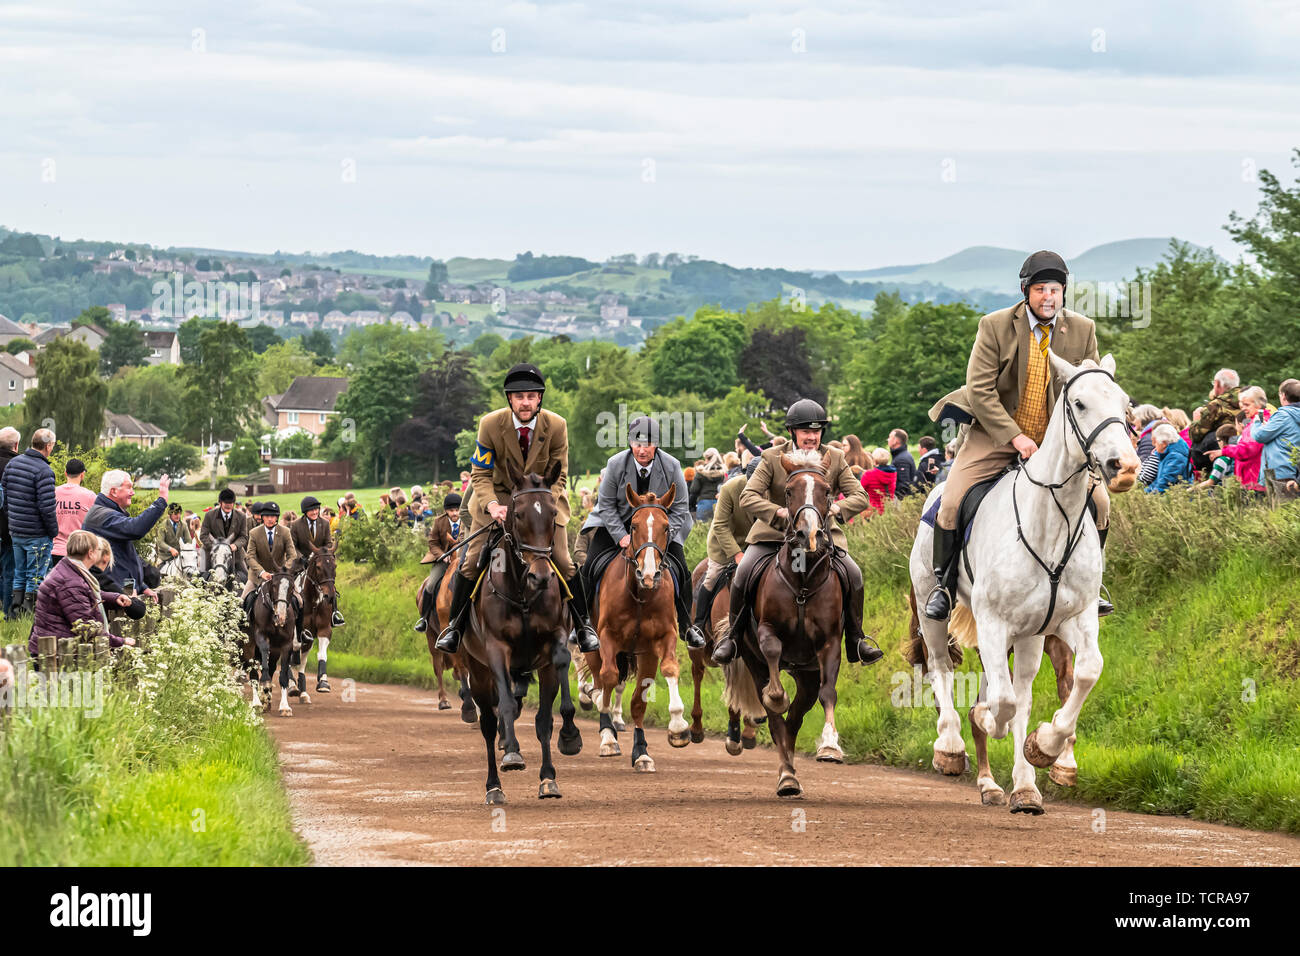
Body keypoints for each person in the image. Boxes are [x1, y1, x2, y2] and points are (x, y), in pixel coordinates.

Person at [922, 250, 1114, 621]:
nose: (1048, 297)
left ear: (1063, 293)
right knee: (950, 502)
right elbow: (980, 391)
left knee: (1101, 503)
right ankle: (943, 586)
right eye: (1041, 289)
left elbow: (1090, 388)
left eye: (1055, 290)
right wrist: (1016, 438)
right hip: (993, 434)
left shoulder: (1082, 330)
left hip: (1056, 441)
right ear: (1026, 291)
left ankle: (1094, 584)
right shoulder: (994, 326)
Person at [435, 363, 599, 654]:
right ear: (509, 399)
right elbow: (480, 475)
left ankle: (584, 626)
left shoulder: (557, 426)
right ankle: (454, 628)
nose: (525, 402)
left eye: (531, 396)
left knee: (563, 560)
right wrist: (494, 506)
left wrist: (543, 503)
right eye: (519, 396)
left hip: (542, 506)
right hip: (496, 502)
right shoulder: (489, 424)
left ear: (540, 399)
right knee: (472, 561)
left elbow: (559, 476)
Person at [712, 398, 882, 666]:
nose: (812, 437)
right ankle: (732, 637)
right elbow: (749, 496)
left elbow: (859, 496)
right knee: (743, 573)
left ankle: (856, 639)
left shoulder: (835, 457)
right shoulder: (771, 457)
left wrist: (837, 508)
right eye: (806, 431)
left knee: (854, 574)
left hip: (820, 536)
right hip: (773, 535)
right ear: (792, 431)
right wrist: (778, 512)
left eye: (816, 431)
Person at [581, 415, 699, 648]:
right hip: (616, 524)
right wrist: (620, 536)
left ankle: (686, 625)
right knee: (590, 565)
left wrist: (662, 537)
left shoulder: (672, 466)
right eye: (637, 444)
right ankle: (584, 624)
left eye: (647, 444)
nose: (642, 450)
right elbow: (606, 505)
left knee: (682, 570)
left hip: (658, 529)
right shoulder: (616, 464)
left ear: (656, 444)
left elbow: (681, 508)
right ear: (630, 443)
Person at [30, 530, 137, 660]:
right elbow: (86, 627)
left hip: (54, 646)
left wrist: (114, 597)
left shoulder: (68, 568)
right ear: (90, 553)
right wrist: (121, 641)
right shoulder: (70, 582)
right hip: (57, 656)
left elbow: (85, 594)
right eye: (97, 549)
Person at [682, 471, 754, 647]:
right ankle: (698, 625)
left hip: (755, 542)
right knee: (712, 575)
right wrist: (737, 554)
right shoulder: (730, 490)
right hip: (725, 542)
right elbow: (721, 527)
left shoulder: (773, 486)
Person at [81, 469, 170, 598]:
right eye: (129, 487)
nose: (133, 493)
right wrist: (161, 501)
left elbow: (124, 559)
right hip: (112, 593)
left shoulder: (107, 513)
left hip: (122, 587)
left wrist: (142, 587)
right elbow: (135, 529)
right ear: (114, 491)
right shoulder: (103, 516)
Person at [3, 427, 60, 616]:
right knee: (35, 575)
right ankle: (30, 613)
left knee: (19, 572)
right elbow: (47, 508)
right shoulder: (44, 471)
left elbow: (5, 499)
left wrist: (12, 520)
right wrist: (53, 531)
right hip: (37, 533)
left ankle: (15, 609)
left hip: (16, 530)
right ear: (48, 446)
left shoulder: (14, 463)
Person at [291, 495, 344, 627]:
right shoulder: (296, 525)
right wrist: (301, 558)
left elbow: (327, 542)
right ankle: (290, 615)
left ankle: (335, 614)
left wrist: (324, 555)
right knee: (288, 585)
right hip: (300, 564)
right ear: (305, 512)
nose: (315, 512)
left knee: (330, 585)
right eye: (311, 510)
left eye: (316, 509)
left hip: (319, 562)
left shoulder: (325, 523)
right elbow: (292, 545)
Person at [413, 492, 461, 632]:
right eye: (451, 510)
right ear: (446, 511)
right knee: (431, 584)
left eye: (457, 510)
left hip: (463, 557)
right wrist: (442, 555)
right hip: (443, 560)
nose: (455, 513)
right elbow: (433, 543)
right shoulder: (439, 521)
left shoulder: (467, 519)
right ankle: (424, 618)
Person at [1252, 378, 1300, 505]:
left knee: (1280, 512)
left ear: (1283, 396)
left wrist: (1257, 422)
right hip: (1295, 472)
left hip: (1280, 473)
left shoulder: (1284, 415)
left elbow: (1259, 436)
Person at [1213, 386, 1269, 493]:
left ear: (1259, 404)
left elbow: (1249, 449)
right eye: (1240, 403)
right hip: (1250, 480)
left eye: (1246, 404)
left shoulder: (1259, 422)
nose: (1242, 408)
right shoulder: (1254, 421)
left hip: (1254, 481)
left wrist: (1224, 451)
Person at [52, 457, 97, 569]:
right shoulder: (90, 496)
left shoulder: (53, 493)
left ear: (65, 473)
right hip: (79, 552)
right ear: (82, 475)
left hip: (55, 551)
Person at [200, 488, 249, 584]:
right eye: (225, 502)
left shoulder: (241, 516)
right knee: (200, 578)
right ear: (220, 502)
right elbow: (203, 535)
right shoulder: (209, 515)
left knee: (246, 577)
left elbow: (244, 537)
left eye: (231, 503)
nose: (228, 505)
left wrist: (235, 545)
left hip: (235, 554)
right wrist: (215, 547)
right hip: (212, 553)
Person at [0, 427, 20, 619]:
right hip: (8, 527)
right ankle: (7, 611)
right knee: (9, 571)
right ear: (16, 445)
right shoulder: (17, 466)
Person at [1145, 423, 1193, 493]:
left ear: (1164, 443)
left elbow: (1164, 485)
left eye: (1155, 442)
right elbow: (1158, 482)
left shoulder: (1176, 458)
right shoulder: (1167, 454)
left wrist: (1147, 497)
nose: (1153, 445)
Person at [1195, 424, 1240, 490]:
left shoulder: (1222, 460)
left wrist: (1192, 489)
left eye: (1218, 441)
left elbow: (1211, 482)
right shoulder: (1239, 454)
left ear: (1221, 441)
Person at [689, 447, 727, 523]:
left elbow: (694, 490)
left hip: (704, 502)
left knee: (703, 531)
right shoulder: (724, 472)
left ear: (707, 458)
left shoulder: (701, 472)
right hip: (720, 503)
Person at [860, 446, 898, 514]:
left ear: (874, 460)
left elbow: (860, 490)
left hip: (872, 511)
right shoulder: (893, 473)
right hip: (887, 510)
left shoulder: (869, 474)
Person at [888, 429, 918, 496]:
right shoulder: (900, 456)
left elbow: (904, 486)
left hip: (902, 501)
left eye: (890, 437)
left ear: (896, 441)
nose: (888, 440)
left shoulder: (902, 459)